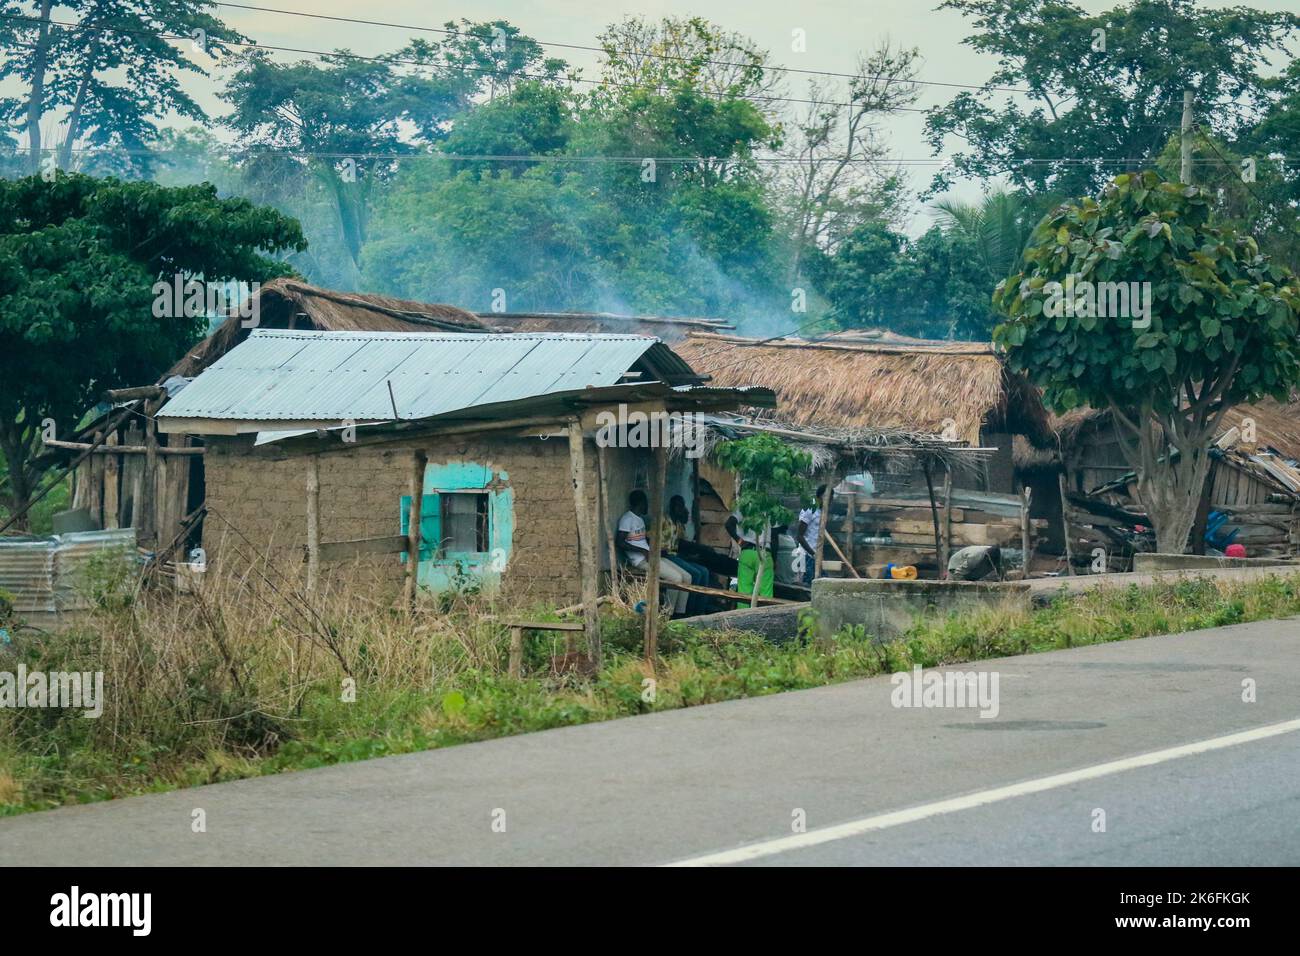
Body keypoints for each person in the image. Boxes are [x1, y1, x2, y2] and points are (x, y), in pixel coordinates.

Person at [616, 490, 689, 616]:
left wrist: (655, 550)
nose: (647, 506)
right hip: (640, 561)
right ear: (640, 503)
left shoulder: (640, 520)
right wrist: (642, 551)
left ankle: (680, 613)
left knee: (687, 577)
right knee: (676, 578)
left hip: (650, 557)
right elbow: (620, 542)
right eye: (646, 503)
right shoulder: (627, 519)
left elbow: (643, 541)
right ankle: (667, 614)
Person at [662, 495, 711, 614]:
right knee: (696, 574)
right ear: (673, 507)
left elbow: (683, 544)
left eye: (683, 506)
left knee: (704, 571)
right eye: (679, 506)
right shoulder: (663, 520)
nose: (682, 509)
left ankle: (699, 610)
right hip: (665, 555)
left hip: (675, 556)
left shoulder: (678, 525)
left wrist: (691, 555)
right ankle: (689, 610)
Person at [725, 508, 773, 608]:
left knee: (744, 592)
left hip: (748, 551)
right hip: (765, 553)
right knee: (766, 592)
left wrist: (739, 541)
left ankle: (743, 619)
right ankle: (767, 618)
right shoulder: (770, 508)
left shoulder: (744, 507)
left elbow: (729, 524)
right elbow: (775, 535)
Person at [794, 485, 827, 587]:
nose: (831, 501)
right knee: (808, 585)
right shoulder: (809, 510)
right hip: (805, 555)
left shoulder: (823, 512)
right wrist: (813, 553)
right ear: (821, 496)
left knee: (820, 584)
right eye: (828, 497)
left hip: (815, 556)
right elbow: (799, 536)